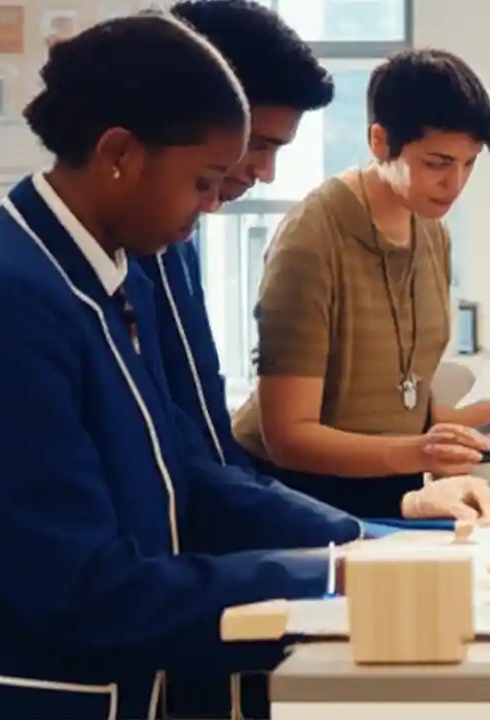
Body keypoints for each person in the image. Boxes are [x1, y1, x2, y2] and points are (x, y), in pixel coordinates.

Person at [0, 14, 418, 719]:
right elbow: (78, 586)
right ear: (119, 154)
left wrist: (364, 543)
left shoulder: (108, 278)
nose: (214, 202)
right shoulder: (9, 297)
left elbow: (182, 471)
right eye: (202, 180)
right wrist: (328, 576)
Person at [230, 48, 490, 516]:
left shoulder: (432, 230)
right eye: (437, 163)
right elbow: (289, 437)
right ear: (378, 141)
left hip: (386, 491)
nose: (455, 184)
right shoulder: (312, 237)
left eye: (468, 164)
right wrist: (418, 453)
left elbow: (397, 410)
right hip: (291, 497)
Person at [135, 0, 332, 474]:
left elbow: (199, 443)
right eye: (258, 145)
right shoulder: (29, 285)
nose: (265, 174)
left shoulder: (177, 245)